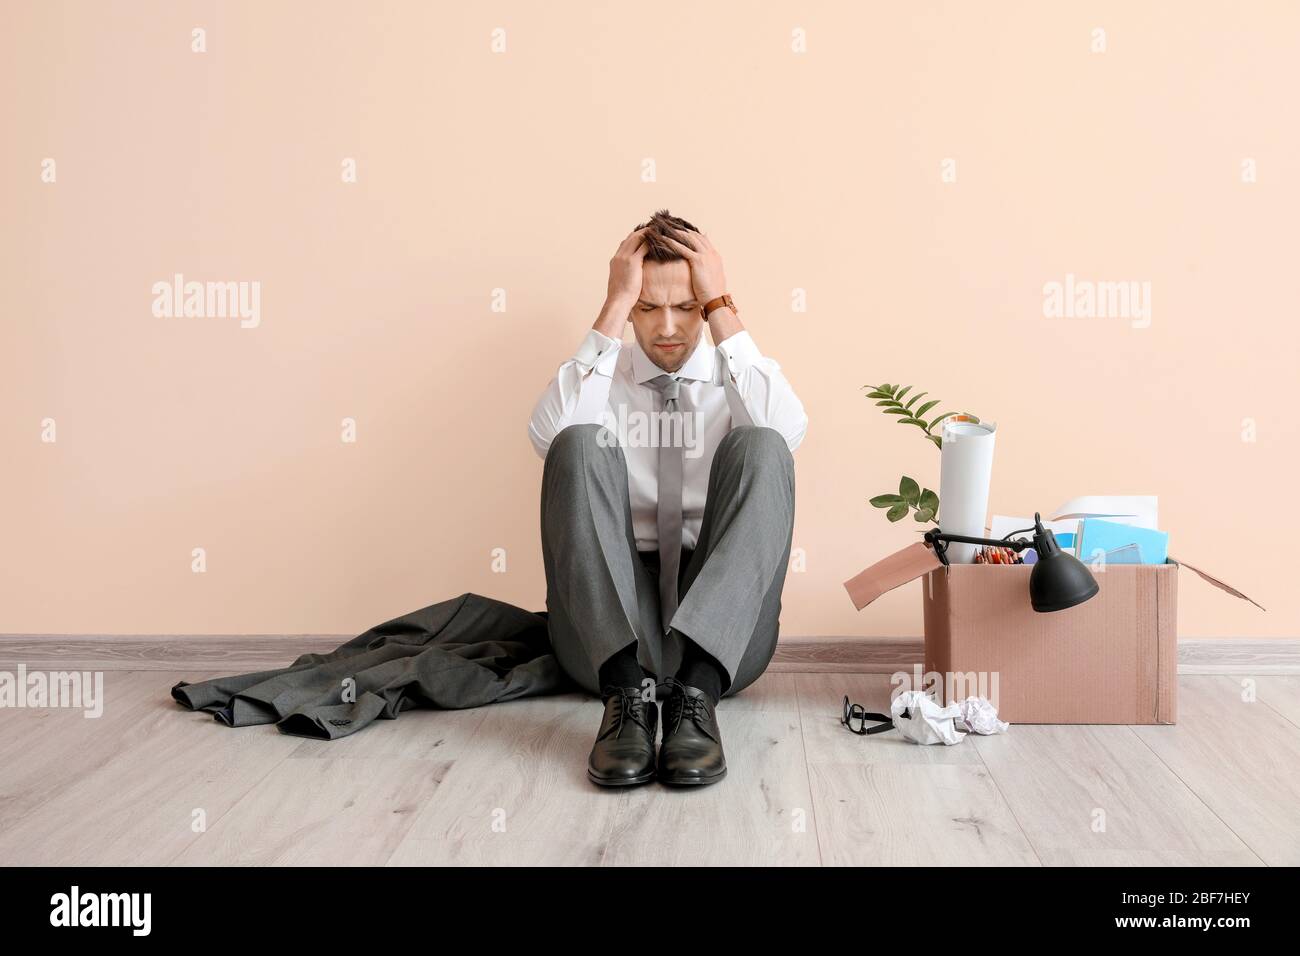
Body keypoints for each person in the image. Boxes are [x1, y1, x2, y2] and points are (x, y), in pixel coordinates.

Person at [528, 210, 808, 788]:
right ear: (629, 308)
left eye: (686, 307)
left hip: (724, 637)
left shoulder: (734, 375)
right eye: (648, 308)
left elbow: (786, 436)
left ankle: (694, 702)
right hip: (606, 629)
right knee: (578, 442)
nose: (667, 328)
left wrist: (722, 305)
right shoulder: (604, 379)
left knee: (761, 445)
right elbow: (550, 442)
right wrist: (610, 308)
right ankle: (626, 700)